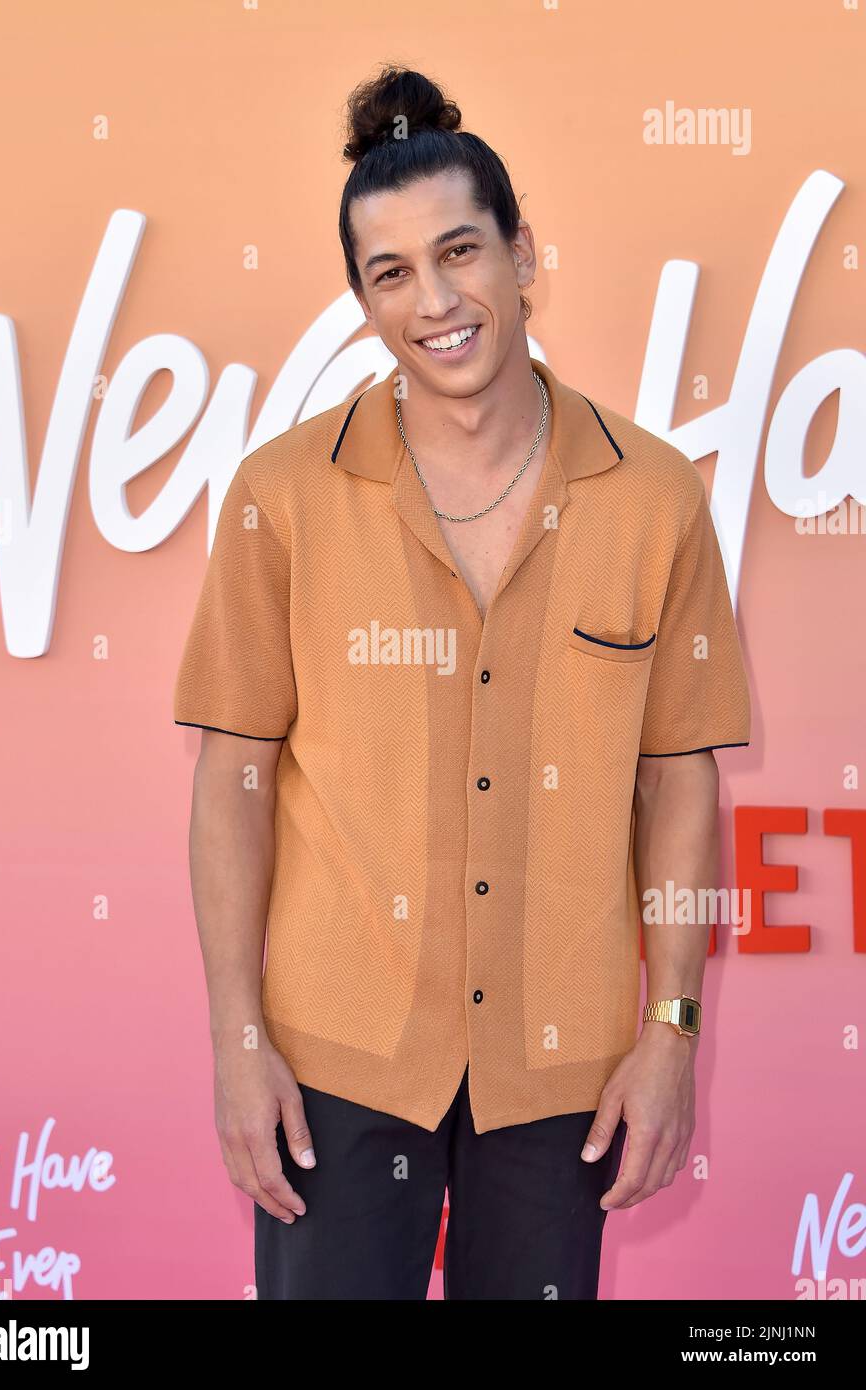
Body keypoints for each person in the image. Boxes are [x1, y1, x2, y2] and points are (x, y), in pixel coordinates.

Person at [173, 65, 752, 1300]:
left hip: (563, 1075)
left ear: (521, 253)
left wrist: (673, 1033)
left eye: (459, 252)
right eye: (391, 274)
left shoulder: (653, 499)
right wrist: (237, 1043)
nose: (435, 300)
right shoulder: (283, 497)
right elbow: (232, 779)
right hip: (337, 1065)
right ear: (363, 303)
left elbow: (679, 781)